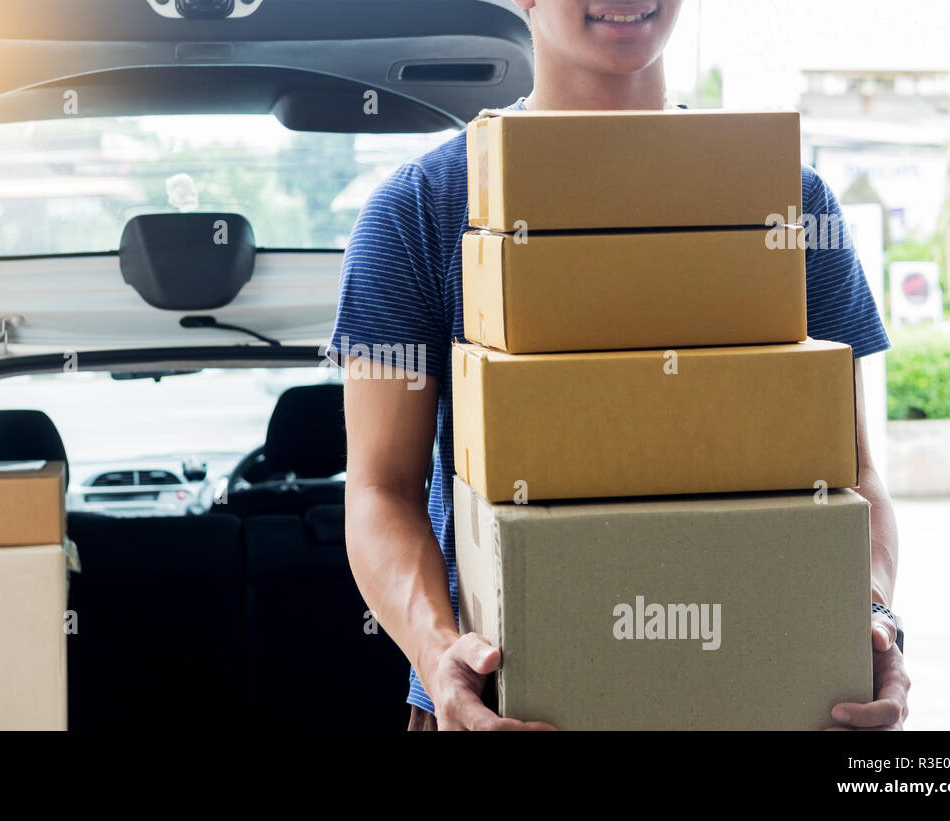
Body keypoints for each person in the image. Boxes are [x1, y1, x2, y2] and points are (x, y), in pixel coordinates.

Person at [330, 0, 910, 731]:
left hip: (765, 690)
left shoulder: (791, 204)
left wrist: (874, 618)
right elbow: (381, 490)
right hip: (506, 707)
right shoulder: (416, 212)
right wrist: (438, 653)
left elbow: (855, 476)